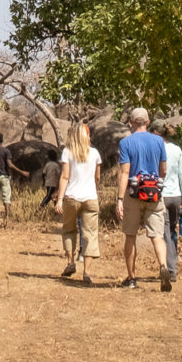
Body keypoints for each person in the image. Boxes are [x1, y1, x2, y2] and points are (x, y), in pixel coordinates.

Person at [115, 107, 171, 291]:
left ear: (131, 122)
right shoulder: (158, 141)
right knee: (157, 235)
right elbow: (163, 169)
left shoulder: (126, 143)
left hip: (133, 193)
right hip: (153, 192)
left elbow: (124, 172)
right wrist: (157, 181)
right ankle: (163, 266)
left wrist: (119, 199)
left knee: (130, 235)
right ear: (147, 122)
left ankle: (131, 278)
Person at [54, 122, 102, 284]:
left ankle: (70, 262)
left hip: (71, 196)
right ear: (86, 137)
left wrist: (59, 199)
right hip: (90, 197)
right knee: (89, 234)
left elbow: (65, 177)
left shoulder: (67, 152)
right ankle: (87, 271)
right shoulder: (95, 153)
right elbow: (97, 178)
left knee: (69, 230)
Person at [156, 121, 182, 282]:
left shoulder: (156, 150)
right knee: (172, 231)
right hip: (176, 196)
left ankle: (168, 269)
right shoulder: (177, 150)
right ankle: (173, 268)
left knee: (163, 234)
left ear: (156, 134)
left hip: (161, 196)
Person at [0, 132, 30, 228]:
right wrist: (22, 172)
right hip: (4, 177)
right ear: (2, 140)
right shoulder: (6, 151)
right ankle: (7, 222)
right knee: (6, 199)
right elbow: (9, 165)